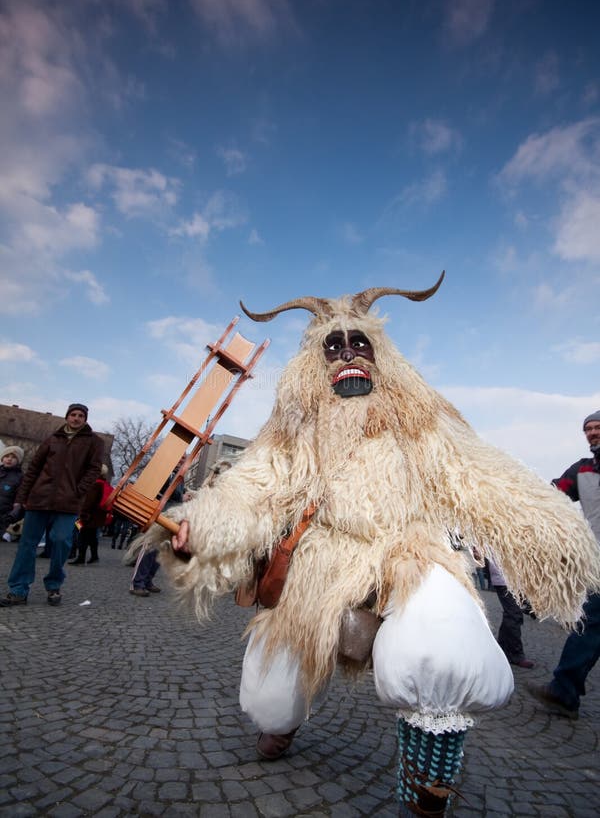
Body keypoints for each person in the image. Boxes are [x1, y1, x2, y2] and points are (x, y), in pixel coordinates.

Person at [149, 280, 599, 817]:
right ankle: (283, 723)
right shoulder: (293, 427)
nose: (347, 355)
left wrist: (557, 535)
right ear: (315, 362)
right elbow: (253, 488)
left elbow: (479, 473)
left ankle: (426, 787)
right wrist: (200, 528)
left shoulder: (421, 419)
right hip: (317, 563)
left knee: (444, 646)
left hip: (405, 553)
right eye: (333, 346)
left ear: (379, 353)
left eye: (358, 343)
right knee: (269, 701)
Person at [527, 410, 600, 719]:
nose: (592, 433)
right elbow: (553, 494)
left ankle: (565, 691)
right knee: (590, 625)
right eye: (588, 429)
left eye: (597, 427)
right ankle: (564, 691)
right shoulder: (582, 470)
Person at [0, 404, 104, 607]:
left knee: (61, 541)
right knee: (27, 545)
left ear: (85, 419)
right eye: (73, 414)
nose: (76, 418)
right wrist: (22, 497)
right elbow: (34, 469)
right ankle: (18, 590)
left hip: (68, 502)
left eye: (80, 415)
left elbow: (94, 470)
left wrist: (78, 491)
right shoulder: (53, 439)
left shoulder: (94, 442)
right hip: (39, 499)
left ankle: (54, 585)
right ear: (67, 417)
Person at [130, 460, 190, 597]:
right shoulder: (166, 471)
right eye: (180, 458)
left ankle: (147, 580)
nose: (182, 461)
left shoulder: (179, 475)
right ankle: (137, 583)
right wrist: (182, 497)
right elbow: (164, 490)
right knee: (149, 549)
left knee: (160, 551)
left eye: (184, 459)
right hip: (159, 515)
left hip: (169, 517)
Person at [488, 559, 535, 669]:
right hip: (504, 578)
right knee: (514, 614)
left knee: (510, 615)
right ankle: (516, 655)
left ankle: (500, 649)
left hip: (514, 579)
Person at [68, 465, 113, 565]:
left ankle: (81, 558)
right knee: (92, 537)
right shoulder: (104, 484)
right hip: (97, 517)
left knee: (82, 536)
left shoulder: (95, 484)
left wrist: (83, 514)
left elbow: (89, 502)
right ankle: (94, 556)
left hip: (88, 517)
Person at [0, 445, 24, 539]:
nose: (9, 459)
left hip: (5, 516)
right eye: (7, 456)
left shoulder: (20, 477)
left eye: (13, 457)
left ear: (18, 461)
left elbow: (20, 497)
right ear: (2, 458)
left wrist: (13, 514)